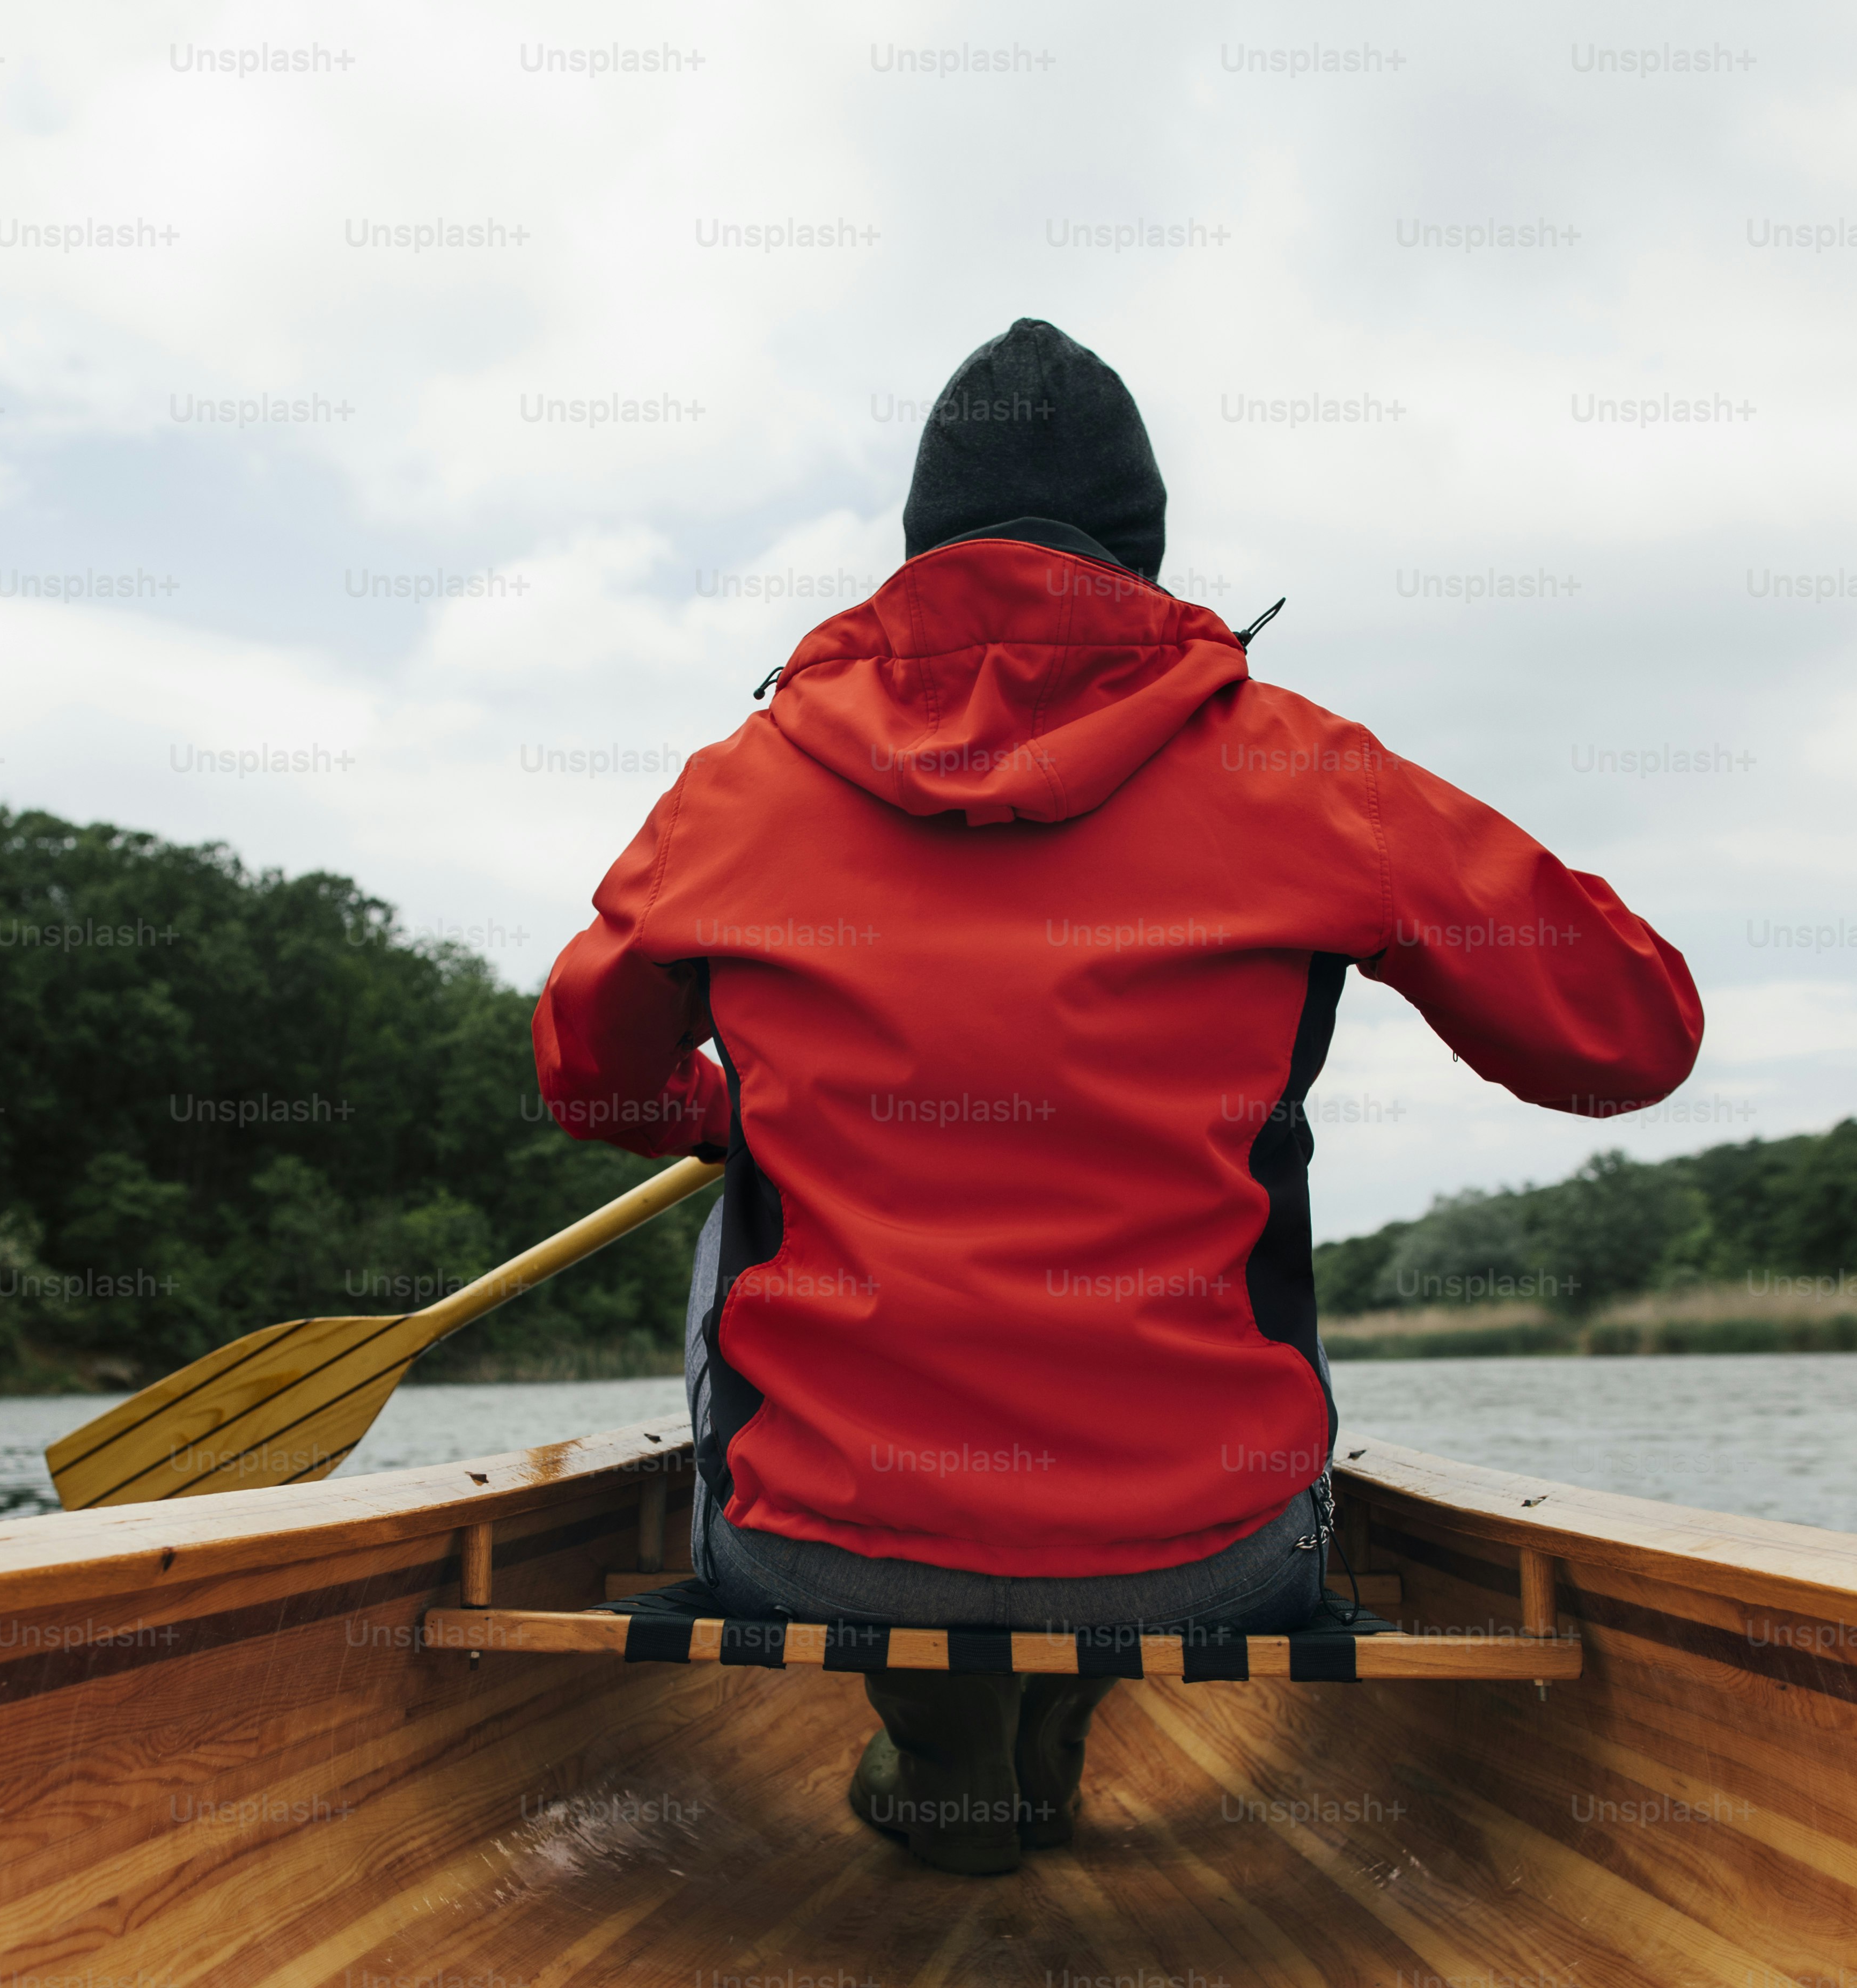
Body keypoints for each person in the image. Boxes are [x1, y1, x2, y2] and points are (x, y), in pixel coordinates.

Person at [534, 319, 1702, 1875]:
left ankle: (945, 1736)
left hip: (811, 1549)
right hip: (1207, 1560)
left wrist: (717, 1110)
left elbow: (592, 1082)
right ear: (1148, 560)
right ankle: (1056, 1684)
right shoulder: (1311, 773)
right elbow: (1633, 1037)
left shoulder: (737, 788)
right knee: (1230, 1179)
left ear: (911, 554)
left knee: (745, 1184)